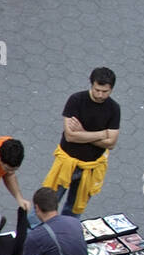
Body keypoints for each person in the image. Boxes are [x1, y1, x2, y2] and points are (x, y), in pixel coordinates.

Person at [39, 67, 120, 219]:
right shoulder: (76, 100)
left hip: (90, 168)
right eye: (97, 90)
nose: (100, 95)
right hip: (66, 164)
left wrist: (82, 131)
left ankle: (65, 237)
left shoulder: (114, 109)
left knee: (74, 210)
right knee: (46, 204)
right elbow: (70, 136)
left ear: (111, 90)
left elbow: (111, 143)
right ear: (91, 84)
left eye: (105, 91)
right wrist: (102, 134)